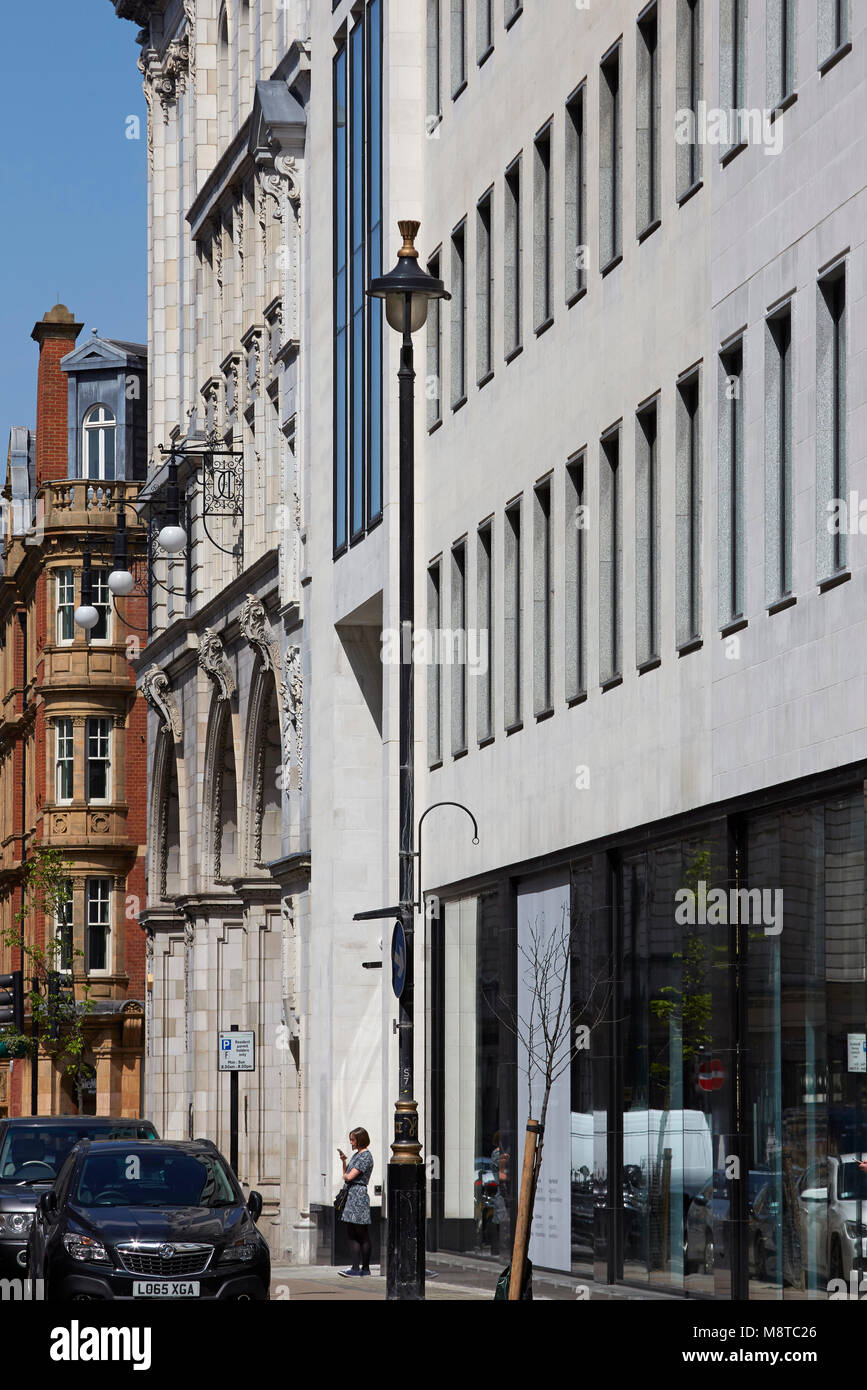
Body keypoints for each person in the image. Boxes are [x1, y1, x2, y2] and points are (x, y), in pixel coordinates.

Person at [337, 1127, 374, 1277]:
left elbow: (349, 1177)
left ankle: (363, 1268)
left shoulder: (365, 1156)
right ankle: (356, 1267)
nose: (351, 1142)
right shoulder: (356, 1155)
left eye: (353, 1139)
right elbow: (346, 1174)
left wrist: (346, 1175)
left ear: (360, 1139)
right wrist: (344, 1161)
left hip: (358, 1196)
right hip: (351, 1195)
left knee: (361, 1233)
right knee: (351, 1232)